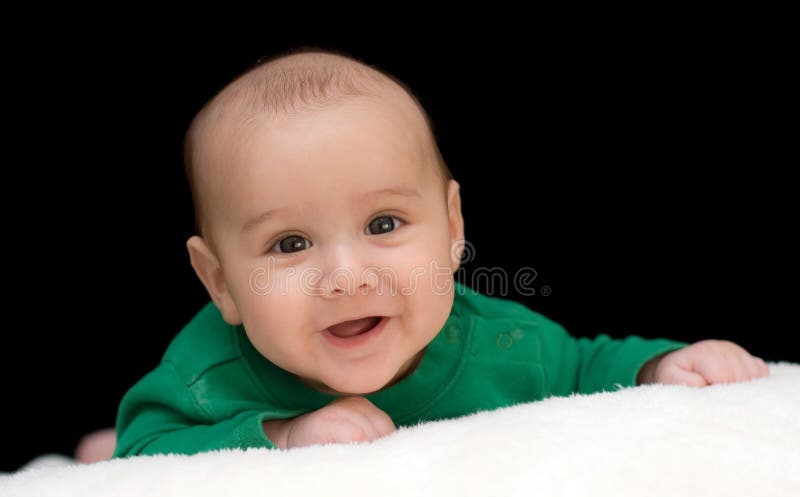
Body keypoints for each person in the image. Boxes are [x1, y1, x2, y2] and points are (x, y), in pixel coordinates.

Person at [100, 47, 769, 457]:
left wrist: (661, 365)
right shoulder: (207, 375)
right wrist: (281, 437)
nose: (347, 276)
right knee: (107, 450)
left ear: (453, 228)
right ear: (221, 286)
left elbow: (583, 366)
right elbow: (149, 445)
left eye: (384, 224)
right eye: (291, 243)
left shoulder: (502, 344)